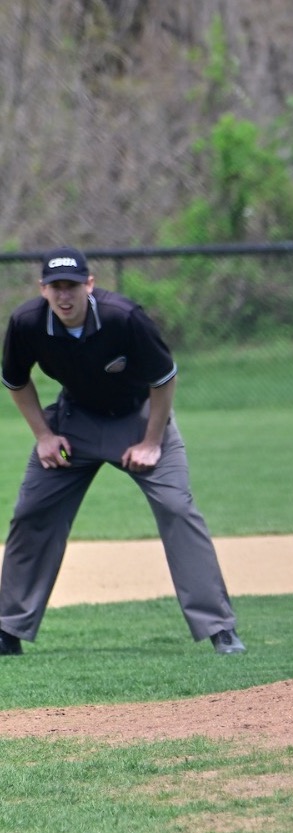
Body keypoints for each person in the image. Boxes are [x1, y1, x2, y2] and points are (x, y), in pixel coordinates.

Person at [0, 247, 244, 656]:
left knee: (176, 507)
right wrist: (44, 435)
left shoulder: (123, 317)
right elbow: (15, 381)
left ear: (89, 285)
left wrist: (151, 443)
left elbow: (164, 380)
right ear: (43, 290)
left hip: (139, 419)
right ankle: (7, 629)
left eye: (73, 286)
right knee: (32, 510)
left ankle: (220, 628)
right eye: (56, 287)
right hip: (72, 422)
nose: (65, 296)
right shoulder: (27, 324)